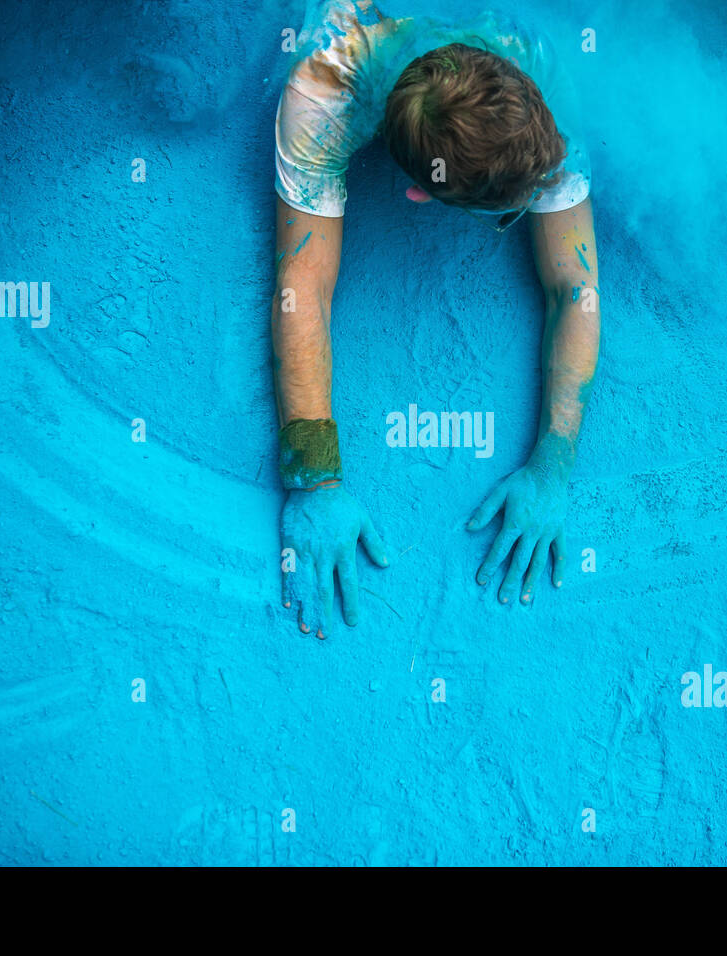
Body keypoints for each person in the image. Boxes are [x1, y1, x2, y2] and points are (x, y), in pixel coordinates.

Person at [271, 0, 600, 638]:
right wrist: (314, 481)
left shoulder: (536, 60)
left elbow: (575, 289)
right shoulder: (322, 90)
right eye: (513, 214)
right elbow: (300, 289)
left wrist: (553, 464)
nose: (544, 202)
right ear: (420, 193)